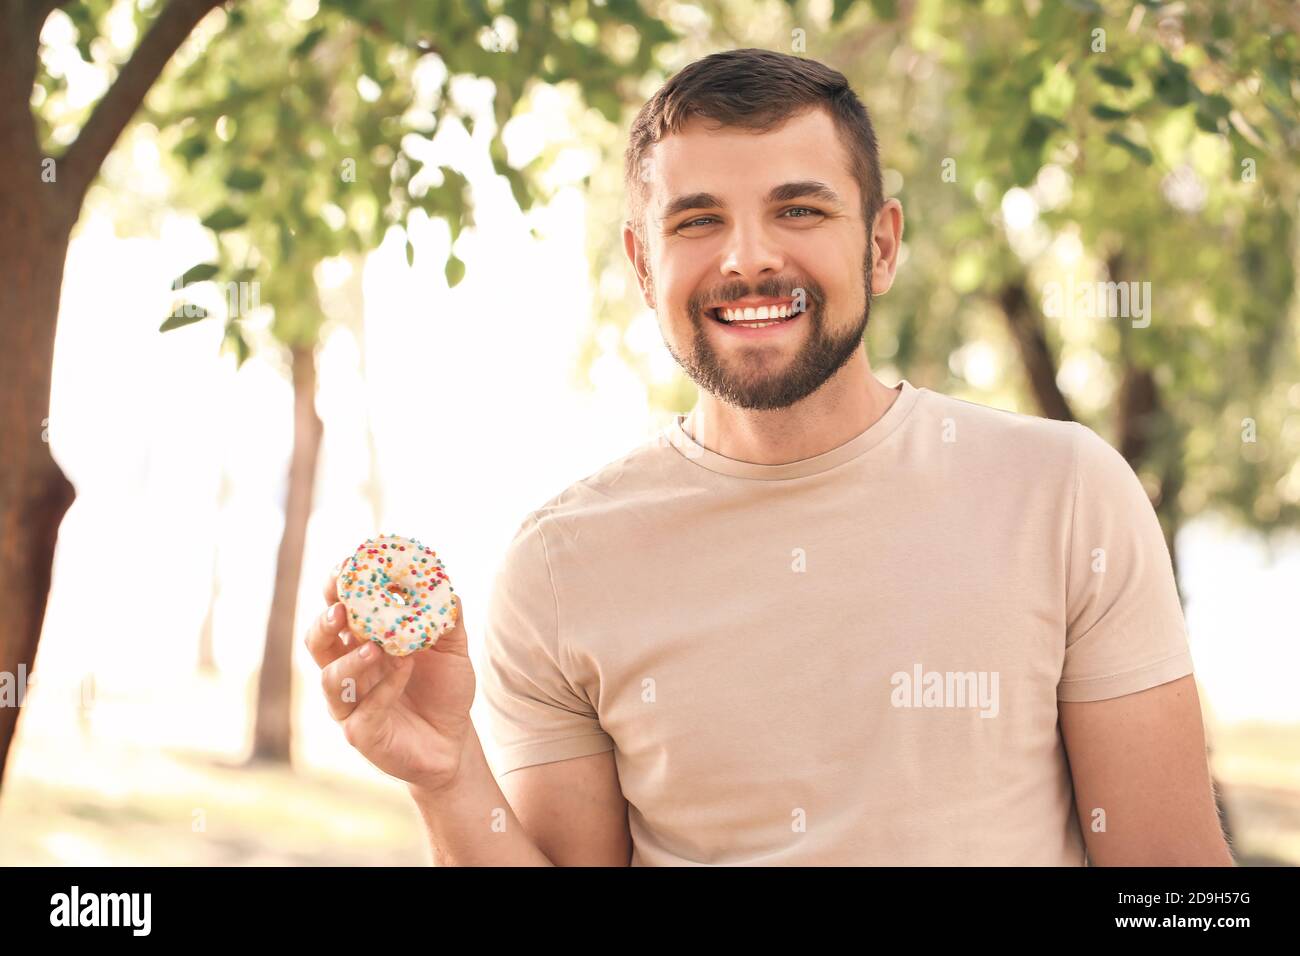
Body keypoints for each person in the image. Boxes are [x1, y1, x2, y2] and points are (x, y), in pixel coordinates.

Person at [304, 48, 1232, 866]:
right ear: (641, 265)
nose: (748, 258)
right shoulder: (560, 565)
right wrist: (447, 773)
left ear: (880, 244)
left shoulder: (1065, 493)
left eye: (798, 209)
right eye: (697, 221)